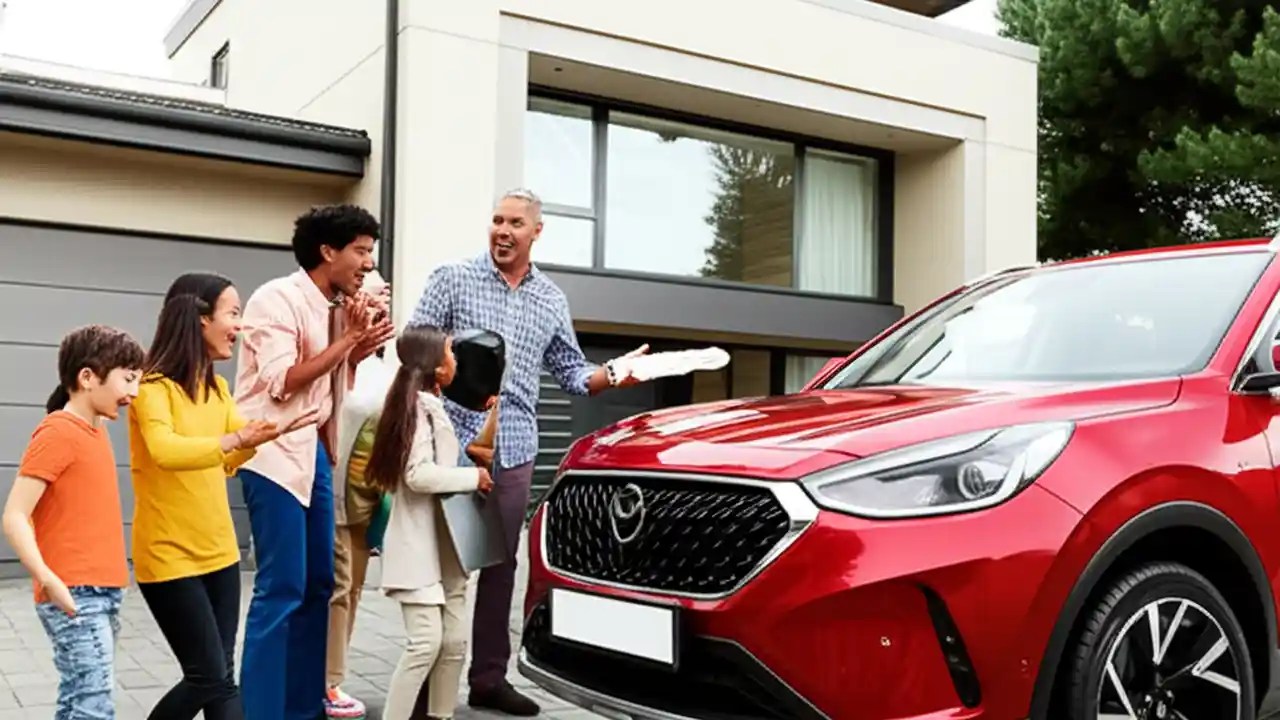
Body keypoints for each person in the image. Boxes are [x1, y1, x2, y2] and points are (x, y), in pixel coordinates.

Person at [408, 188, 649, 716]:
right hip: (449, 441)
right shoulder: (453, 278)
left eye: (515, 222)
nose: (503, 230)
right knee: (445, 564)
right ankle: (427, 686)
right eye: (496, 219)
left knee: (500, 563)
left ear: (536, 231)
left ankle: (488, 679)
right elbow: (415, 344)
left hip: (514, 448)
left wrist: (612, 375)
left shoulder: (550, 299)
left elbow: (572, 372)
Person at [129, 273, 319, 720]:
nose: (241, 326)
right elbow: (166, 451)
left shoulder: (217, 388)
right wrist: (234, 440)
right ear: (199, 319)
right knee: (206, 677)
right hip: (169, 558)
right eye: (233, 314)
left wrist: (271, 432)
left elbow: (230, 459)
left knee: (220, 678)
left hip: (219, 555)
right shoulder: (153, 390)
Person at [234, 204, 396, 720]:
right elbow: (284, 380)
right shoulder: (275, 299)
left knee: (320, 585)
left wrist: (357, 347)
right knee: (281, 587)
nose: (369, 264)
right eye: (361, 251)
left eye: (371, 252)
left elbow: (330, 385)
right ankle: (262, 711)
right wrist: (350, 339)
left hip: (315, 458)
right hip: (272, 455)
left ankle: (304, 709)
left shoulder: (336, 307)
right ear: (328, 252)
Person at [1, 324, 145, 720]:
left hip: (102, 591)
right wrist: (48, 579)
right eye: (128, 379)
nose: (134, 392)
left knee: (78, 699)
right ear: (87, 377)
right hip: (74, 592)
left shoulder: (95, 432)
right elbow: (15, 515)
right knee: (94, 705)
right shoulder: (58, 432)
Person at [368, 326, 495, 720]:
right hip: (421, 545)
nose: (456, 360)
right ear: (437, 367)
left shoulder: (427, 404)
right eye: (450, 353)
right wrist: (472, 478)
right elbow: (417, 475)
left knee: (454, 643)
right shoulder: (418, 409)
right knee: (426, 643)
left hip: (447, 545)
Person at [325, 345, 396, 719]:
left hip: (367, 497)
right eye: (374, 295)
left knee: (351, 591)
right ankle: (327, 681)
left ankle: (332, 678)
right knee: (338, 589)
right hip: (334, 492)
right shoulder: (336, 354)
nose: (382, 305)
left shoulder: (380, 366)